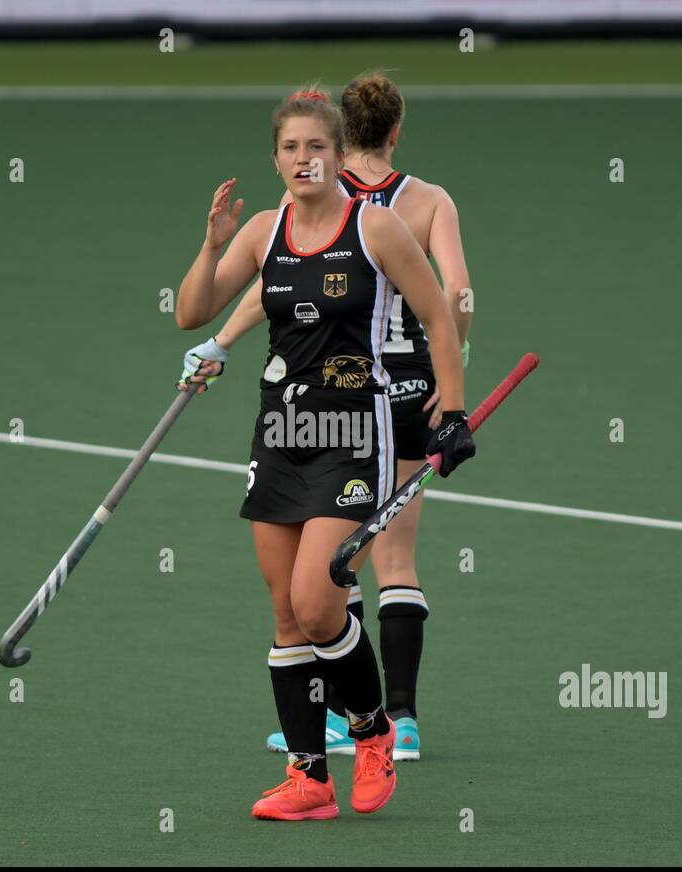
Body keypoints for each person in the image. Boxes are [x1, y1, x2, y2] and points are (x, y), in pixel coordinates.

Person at [174, 87, 474, 821]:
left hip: (355, 436)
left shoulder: (375, 228)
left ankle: (372, 732)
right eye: (290, 148)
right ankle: (308, 779)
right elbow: (191, 311)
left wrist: (454, 411)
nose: (304, 159)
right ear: (274, 159)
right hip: (280, 435)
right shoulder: (264, 233)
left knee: (318, 602)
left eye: (317, 146)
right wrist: (214, 242)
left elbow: (438, 314)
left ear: (340, 154)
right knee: (284, 614)